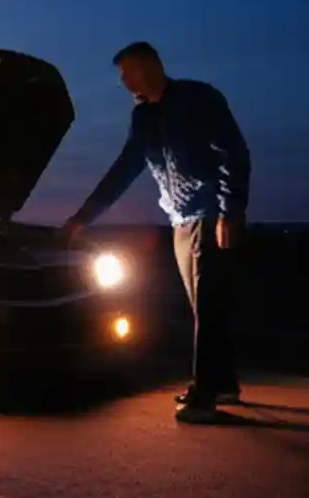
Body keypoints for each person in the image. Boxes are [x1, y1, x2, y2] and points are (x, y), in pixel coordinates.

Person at [60, 41, 251, 423]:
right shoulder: (144, 118)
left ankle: (204, 396)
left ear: (150, 66)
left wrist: (230, 211)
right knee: (203, 305)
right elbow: (124, 169)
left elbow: (233, 152)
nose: (125, 83)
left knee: (209, 304)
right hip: (180, 220)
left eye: (128, 73)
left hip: (209, 214)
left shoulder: (199, 99)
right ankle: (223, 381)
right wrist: (83, 217)